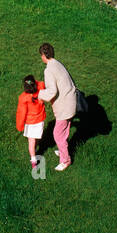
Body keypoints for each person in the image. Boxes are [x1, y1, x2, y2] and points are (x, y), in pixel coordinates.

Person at [38, 43, 79, 172]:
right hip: (72, 102)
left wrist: (39, 94)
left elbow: (52, 92)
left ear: (43, 56)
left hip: (65, 107)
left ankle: (65, 160)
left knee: (57, 134)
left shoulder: (49, 70)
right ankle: (63, 151)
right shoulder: (58, 63)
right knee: (64, 130)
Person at [15, 74, 47, 170]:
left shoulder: (23, 98)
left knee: (31, 141)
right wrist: (34, 82)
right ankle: (35, 149)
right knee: (36, 138)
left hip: (30, 122)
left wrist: (20, 126)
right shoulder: (40, 90)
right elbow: (41, 83)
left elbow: (21, 113)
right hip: (40, 120)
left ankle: (33, 160)